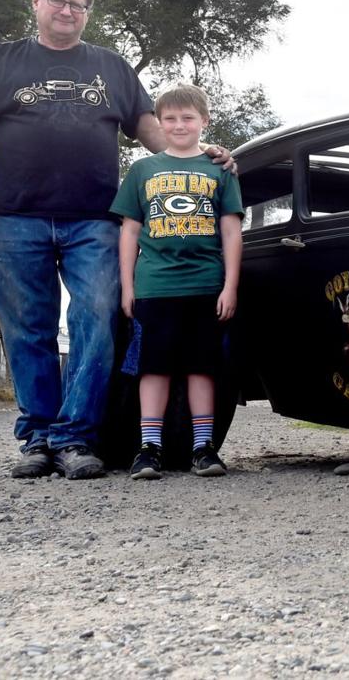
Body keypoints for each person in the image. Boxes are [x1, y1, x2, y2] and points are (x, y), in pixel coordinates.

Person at [0, 0, 232, 480]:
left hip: (97, 219)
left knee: (96, 322)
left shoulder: (111, 67)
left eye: (77, 5)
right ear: (35, 2)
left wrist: (196, 155)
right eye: (57, 1)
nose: (66, 11)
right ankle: (36, 439)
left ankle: (76, 439)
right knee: (27, 329)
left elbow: (148, 127)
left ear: (86, 13)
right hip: (15, 218)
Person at [110, 83, 243, 479]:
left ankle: (204, 447)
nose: (179, 125)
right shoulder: (142, 170)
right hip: (154, 288)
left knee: (202, 369)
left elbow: (232, 231)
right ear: (159, 122)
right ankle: (149, 448)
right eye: (170, 118)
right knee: (153, 369)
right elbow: (129, 233)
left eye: (188, 118)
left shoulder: (220, 169)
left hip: (206, 285)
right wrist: (128, 286)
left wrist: (230, 286)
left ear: (204, 121)